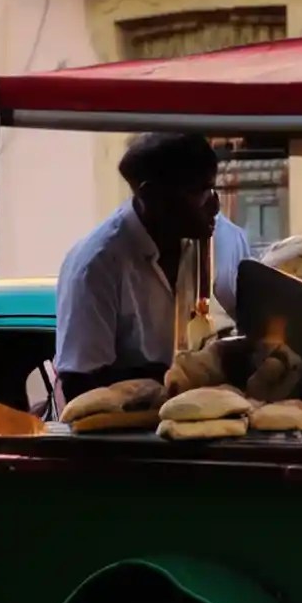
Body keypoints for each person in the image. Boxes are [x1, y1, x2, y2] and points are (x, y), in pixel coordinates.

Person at [55, 132, 252, 402]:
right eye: (198, 191)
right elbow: (80, 384)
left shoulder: (227, 240)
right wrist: (172, 378)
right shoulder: (95, 267)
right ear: (152, 196)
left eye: (212, 188)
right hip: (129, 439)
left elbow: (255, 334)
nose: (215, 205)